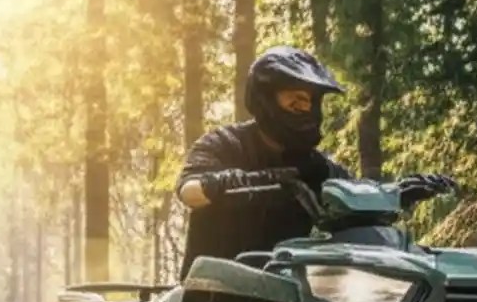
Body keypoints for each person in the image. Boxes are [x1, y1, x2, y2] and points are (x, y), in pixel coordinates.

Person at [175, 45, 455, 280]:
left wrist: (396, 194)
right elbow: (190, 192)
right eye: (296, 101)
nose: (305, 108)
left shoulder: (316, 166)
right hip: (211, 290)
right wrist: (255, 180)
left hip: (284, 291)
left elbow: (355, 196)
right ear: (265, 99)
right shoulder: (224, 144)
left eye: (310, 101)